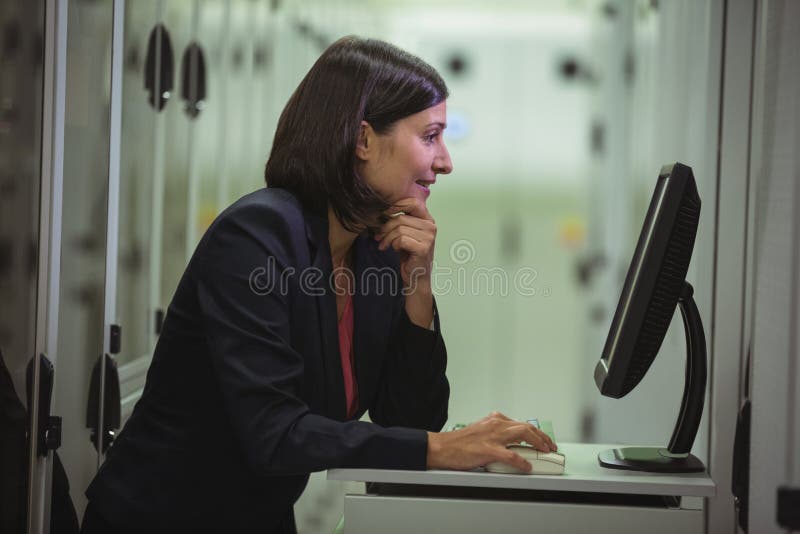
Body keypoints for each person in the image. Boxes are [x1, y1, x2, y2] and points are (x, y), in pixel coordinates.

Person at [80, 36, 556, 534]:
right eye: (431, 136)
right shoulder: (256, 235)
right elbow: (274, 433)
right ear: (363, 139)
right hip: (162, 518)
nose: (445, 162)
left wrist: (417, 283)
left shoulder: (372, 247)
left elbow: (410, 418)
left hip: (257, 516)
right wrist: (441, 450)